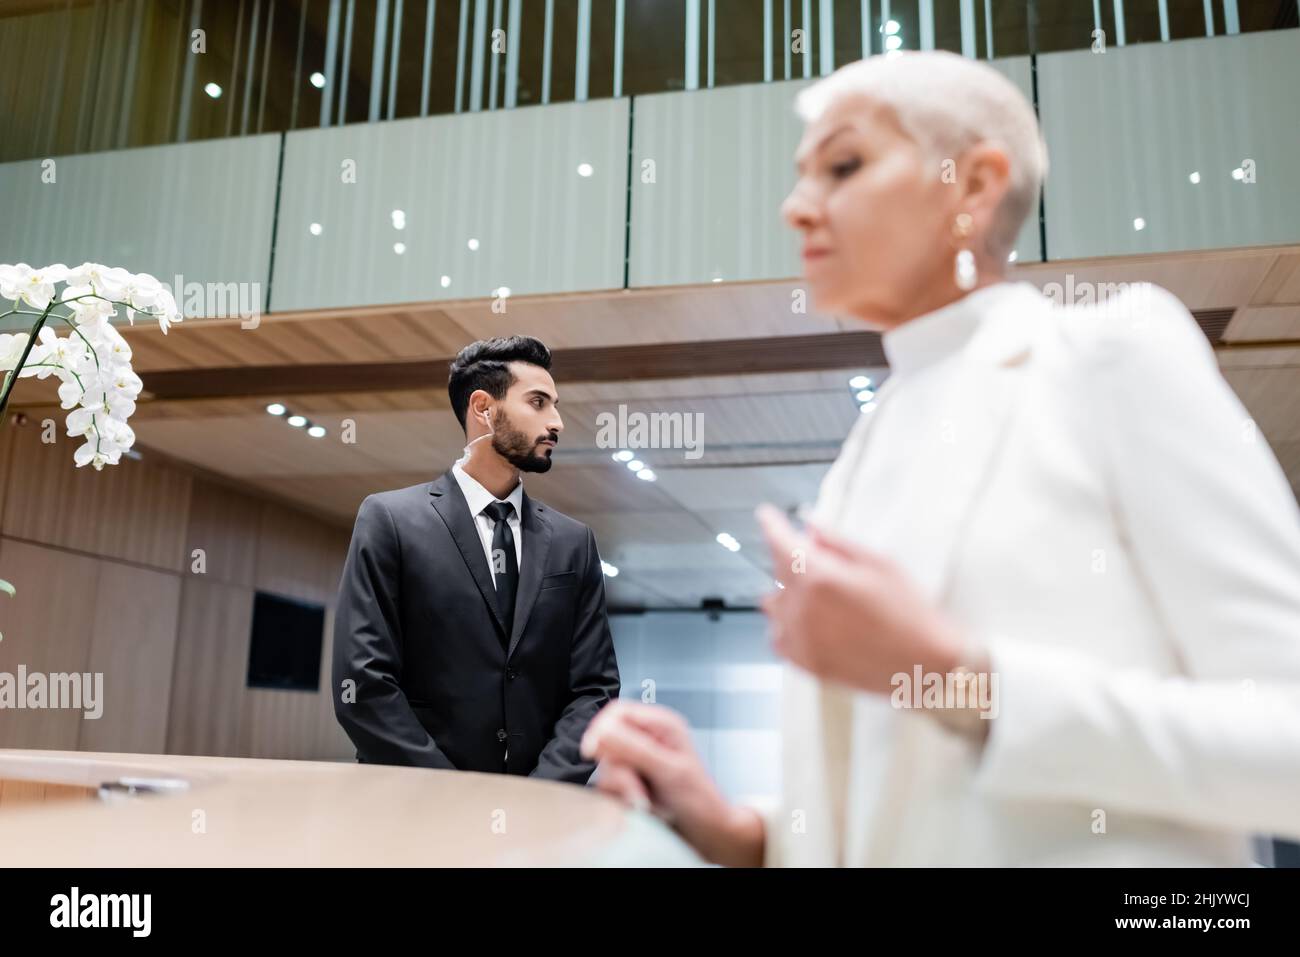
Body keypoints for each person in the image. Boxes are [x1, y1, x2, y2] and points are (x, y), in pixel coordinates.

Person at [581, 51, 1300, 865]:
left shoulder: (1110, 352)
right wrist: (741, 832)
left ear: (974, 185)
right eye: (800, 175)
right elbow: (904, 801)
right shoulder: (870, 441)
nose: (795, 208)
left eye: (843, 165)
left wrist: (961, 677)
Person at [333, 335, 620, 783]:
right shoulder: (390, 519)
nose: (558, 422)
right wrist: (453, 794)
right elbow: (363, 685)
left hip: (539, 819)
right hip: (415, 809)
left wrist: (543, 792)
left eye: (555, 404)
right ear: (483, 408)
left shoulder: (574, 542)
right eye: (538, 402)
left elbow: (594, 689)